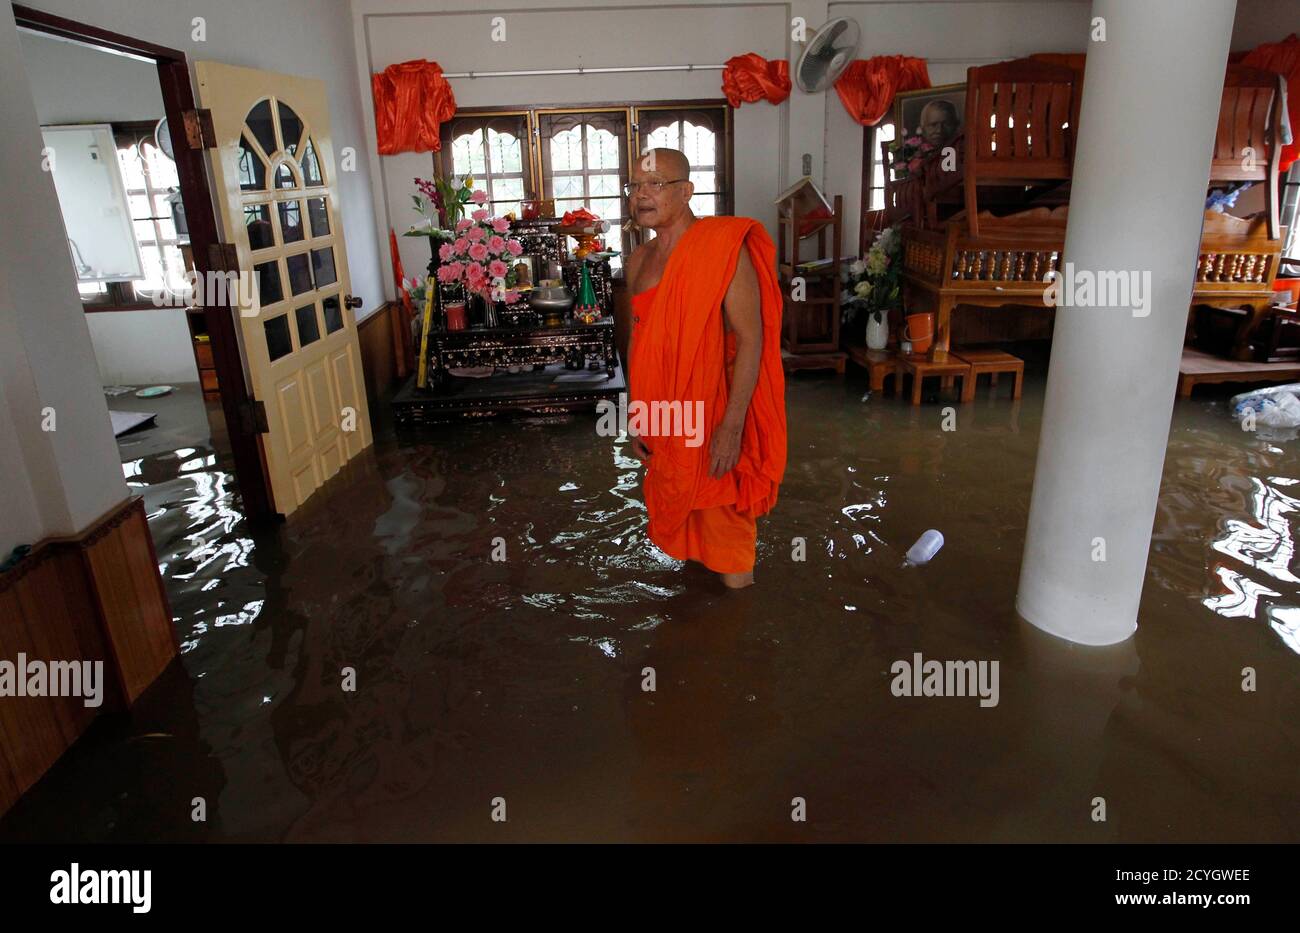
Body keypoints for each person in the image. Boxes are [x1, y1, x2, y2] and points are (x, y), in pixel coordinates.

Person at [623, 148, 787, 589]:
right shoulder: (638, 261)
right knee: (684, 525)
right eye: (635, 186)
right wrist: (638, 416)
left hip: (713, 413)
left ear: (687, 191)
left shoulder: (723, 248)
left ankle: (738, 632)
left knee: (728, 547)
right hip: (666, 417)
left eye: (655, 185)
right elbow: (640, 340)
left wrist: (732, 428)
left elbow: (751, 339)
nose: (641, 195)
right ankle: (700, 624)